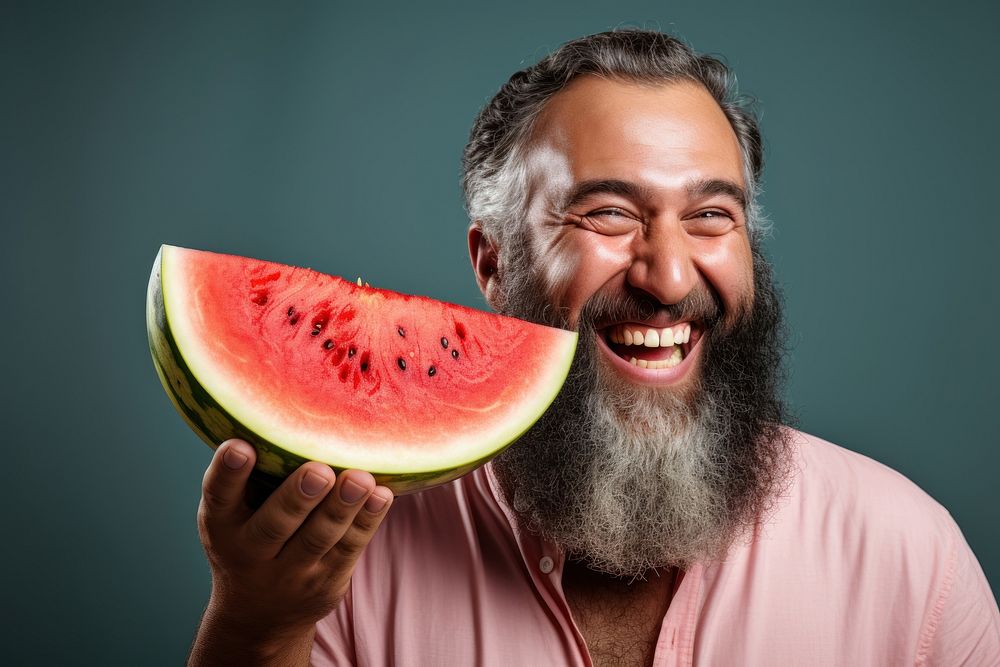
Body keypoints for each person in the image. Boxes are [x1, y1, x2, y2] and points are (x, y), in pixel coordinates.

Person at [187, 29, 1000, 666]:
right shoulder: (342, 559)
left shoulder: (910, 558)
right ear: (494, 262)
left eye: (712, 216)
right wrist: (260, 626)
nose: (669, 273)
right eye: (609, 214)